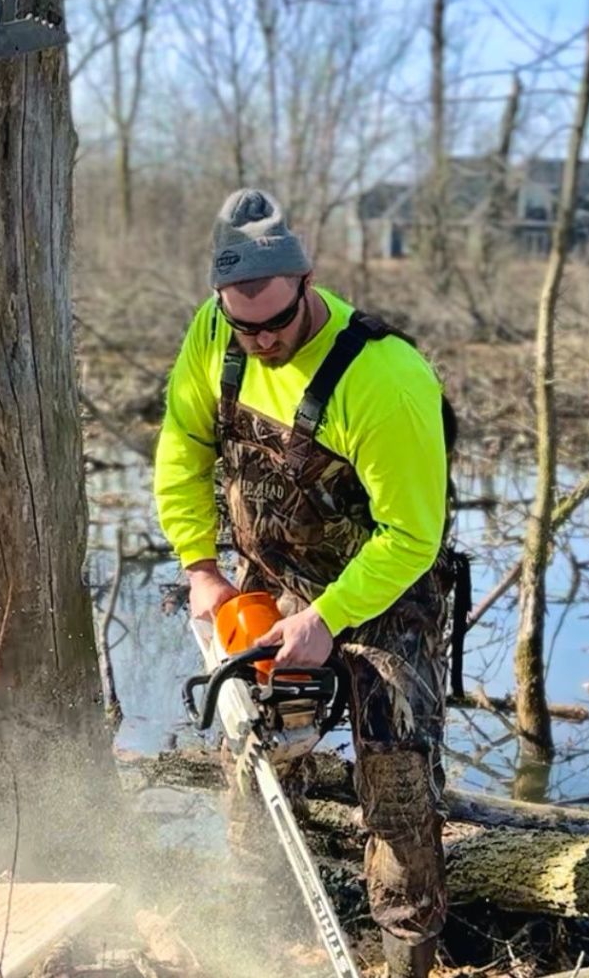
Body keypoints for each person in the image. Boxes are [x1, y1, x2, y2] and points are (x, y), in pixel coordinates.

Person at [154, 188, 454, 978]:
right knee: (255, 758)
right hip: (267, 581)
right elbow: (183, 445)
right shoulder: (216, 332)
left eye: (274, 325)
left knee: (396, 783)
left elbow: (413, 535)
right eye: (241, 322)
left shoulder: (384, 380)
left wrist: (330, 617)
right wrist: (200, 568)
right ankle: (259, 940)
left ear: (307, 282)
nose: (258, 341)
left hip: (384, 593)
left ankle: (405, 956)